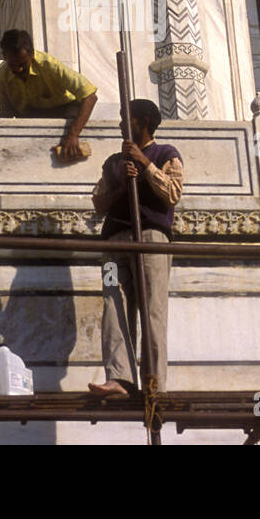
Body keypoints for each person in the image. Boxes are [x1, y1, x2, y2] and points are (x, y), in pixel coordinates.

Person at [88, 99, 183, 399]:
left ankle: (154, 384)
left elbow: (172, 193)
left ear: (142, 122)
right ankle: (120, 379)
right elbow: (99, 203)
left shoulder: (166, 154)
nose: (120, 124)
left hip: (151, 239)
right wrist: (121, 186)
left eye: (125, 119)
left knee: (153, 310)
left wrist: (145, 165)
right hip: (115, 241)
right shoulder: (113, 163)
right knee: (113, 305)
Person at [0, 29, 97, 159]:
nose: (18, 69)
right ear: (5, 58)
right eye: (13, 65)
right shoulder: (0, 76)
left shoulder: (49, 65)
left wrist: (73, 135)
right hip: (29, 115)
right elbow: (5, 113)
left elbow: (90, 96)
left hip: (65, 110)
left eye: (22, 64)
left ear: (31, 55)